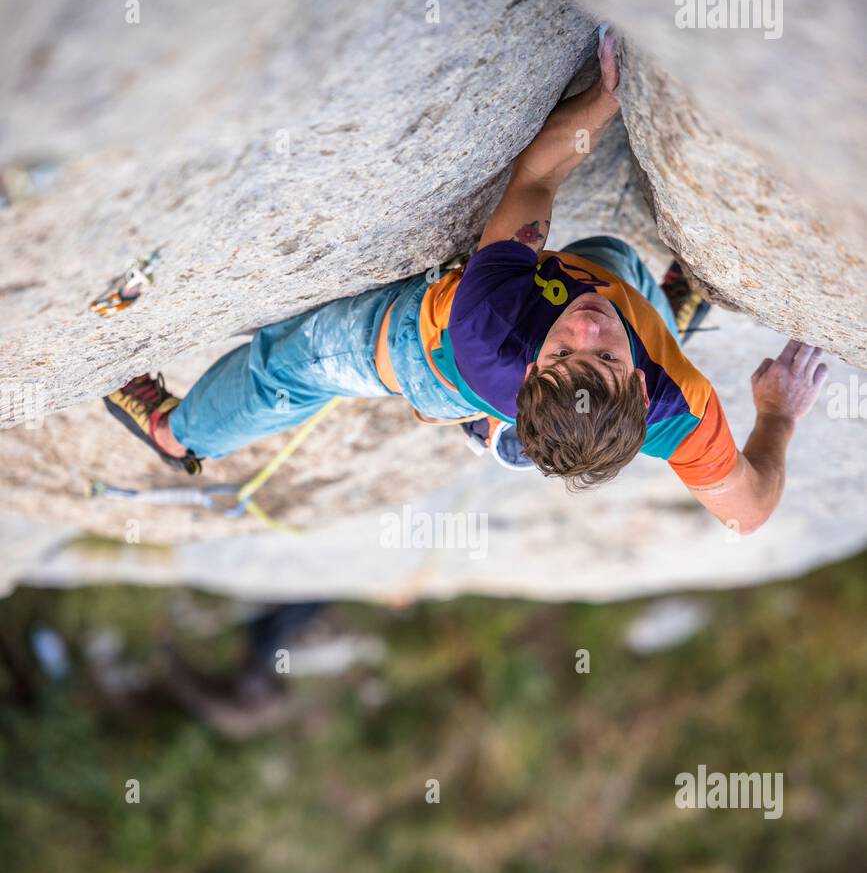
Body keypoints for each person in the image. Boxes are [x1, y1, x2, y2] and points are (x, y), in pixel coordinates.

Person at [105, 28, 827, 535]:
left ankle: (178, 433)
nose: (584, 326)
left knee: (294, 363)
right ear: (642, 388)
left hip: (431, 360)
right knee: (612, 261)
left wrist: (597, 109)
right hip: (532, 393)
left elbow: (537, 177)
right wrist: (777, 416)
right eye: (602, 356)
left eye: (566, 353)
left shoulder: (489, 321)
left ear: (529, 372)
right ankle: (508, 435)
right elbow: (748, 511)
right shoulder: (683, 413)